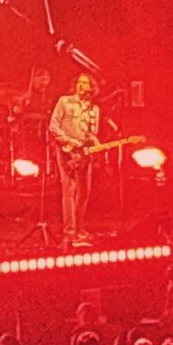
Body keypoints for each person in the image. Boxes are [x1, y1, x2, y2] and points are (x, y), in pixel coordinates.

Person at [49, 72, 104, 246]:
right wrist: (69, 141)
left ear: (91, 88)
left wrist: (94, 142)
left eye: (85, 83)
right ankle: (69, 232)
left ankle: (80, 229)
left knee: (85, 191)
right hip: (66, 150)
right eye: (79, 82)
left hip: (84, 153)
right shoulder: (65, 101)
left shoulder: (94, 110)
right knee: (69, 190)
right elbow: (53, 126)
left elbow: (92, 133)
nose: (82, 85)